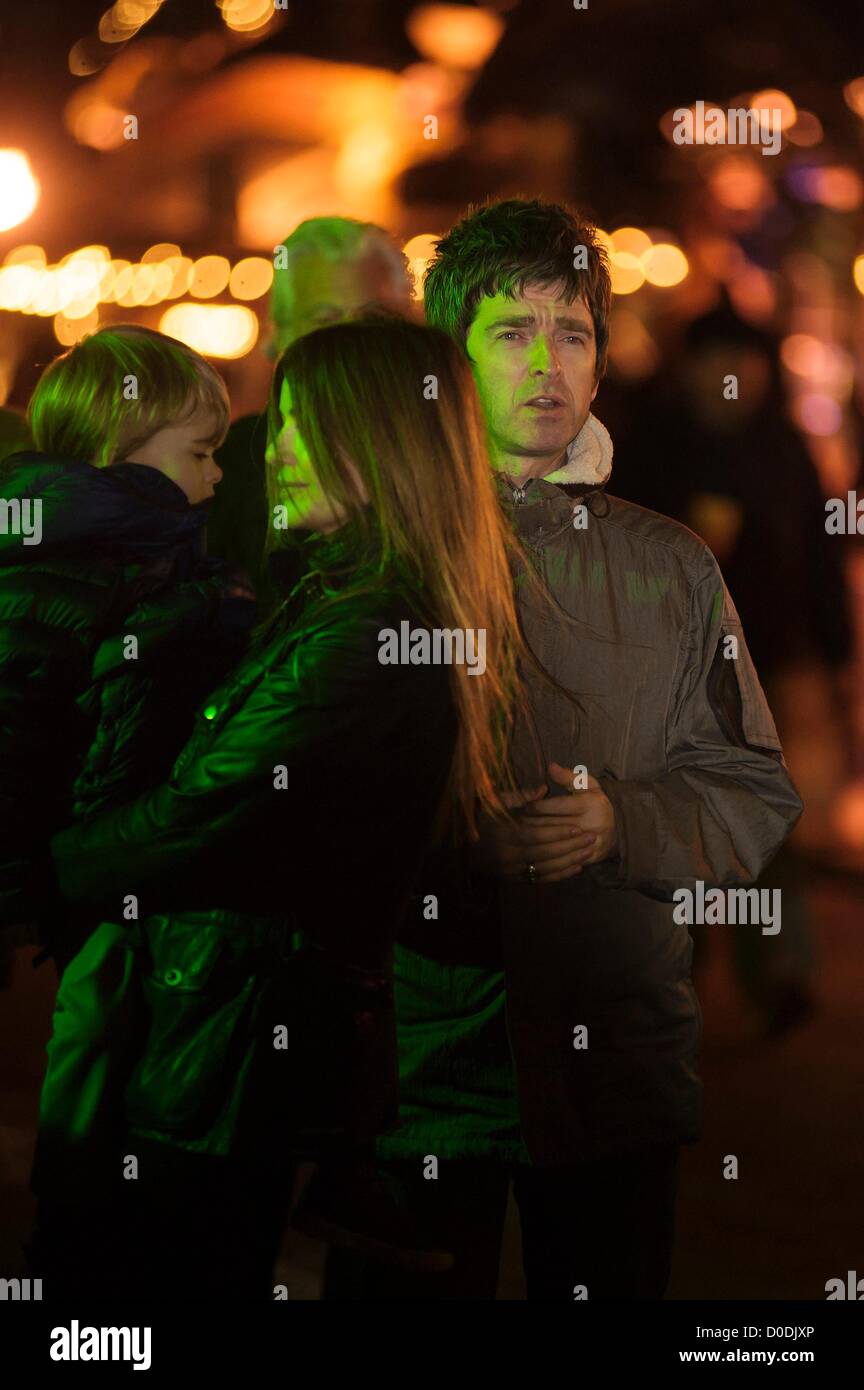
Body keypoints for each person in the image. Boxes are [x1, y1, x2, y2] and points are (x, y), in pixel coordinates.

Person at [319, 198, 804, 1302]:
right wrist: (450, 852)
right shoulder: (375, 550)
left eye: (573, 332)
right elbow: (294, 800)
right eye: (512, 331)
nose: (548, 363)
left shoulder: (671, 567)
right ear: (453, 354)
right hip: (417, 1077)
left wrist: (616, 821)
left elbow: (753, 787)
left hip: (616, 1073)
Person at [40, 315, 533, 1300]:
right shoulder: (345, 598)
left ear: (379, 437)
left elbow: (200, 810)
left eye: (306, 423)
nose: (280, 449)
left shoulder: (365, 630)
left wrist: (40, 872)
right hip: (234, 1040)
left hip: (227, 1058)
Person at [0, 324, 255, 1277]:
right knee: (97, 1083)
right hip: (100, 881)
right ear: (119, 445)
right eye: (200, 453)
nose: (220, 478)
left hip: (83, 882)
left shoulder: (70, 539)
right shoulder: (126, 560)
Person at [207, 216, 413, 603]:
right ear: (277, 333)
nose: (347, 346)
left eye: (370, 321)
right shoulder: (230, 466)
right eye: (326, 322)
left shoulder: (443, 457)